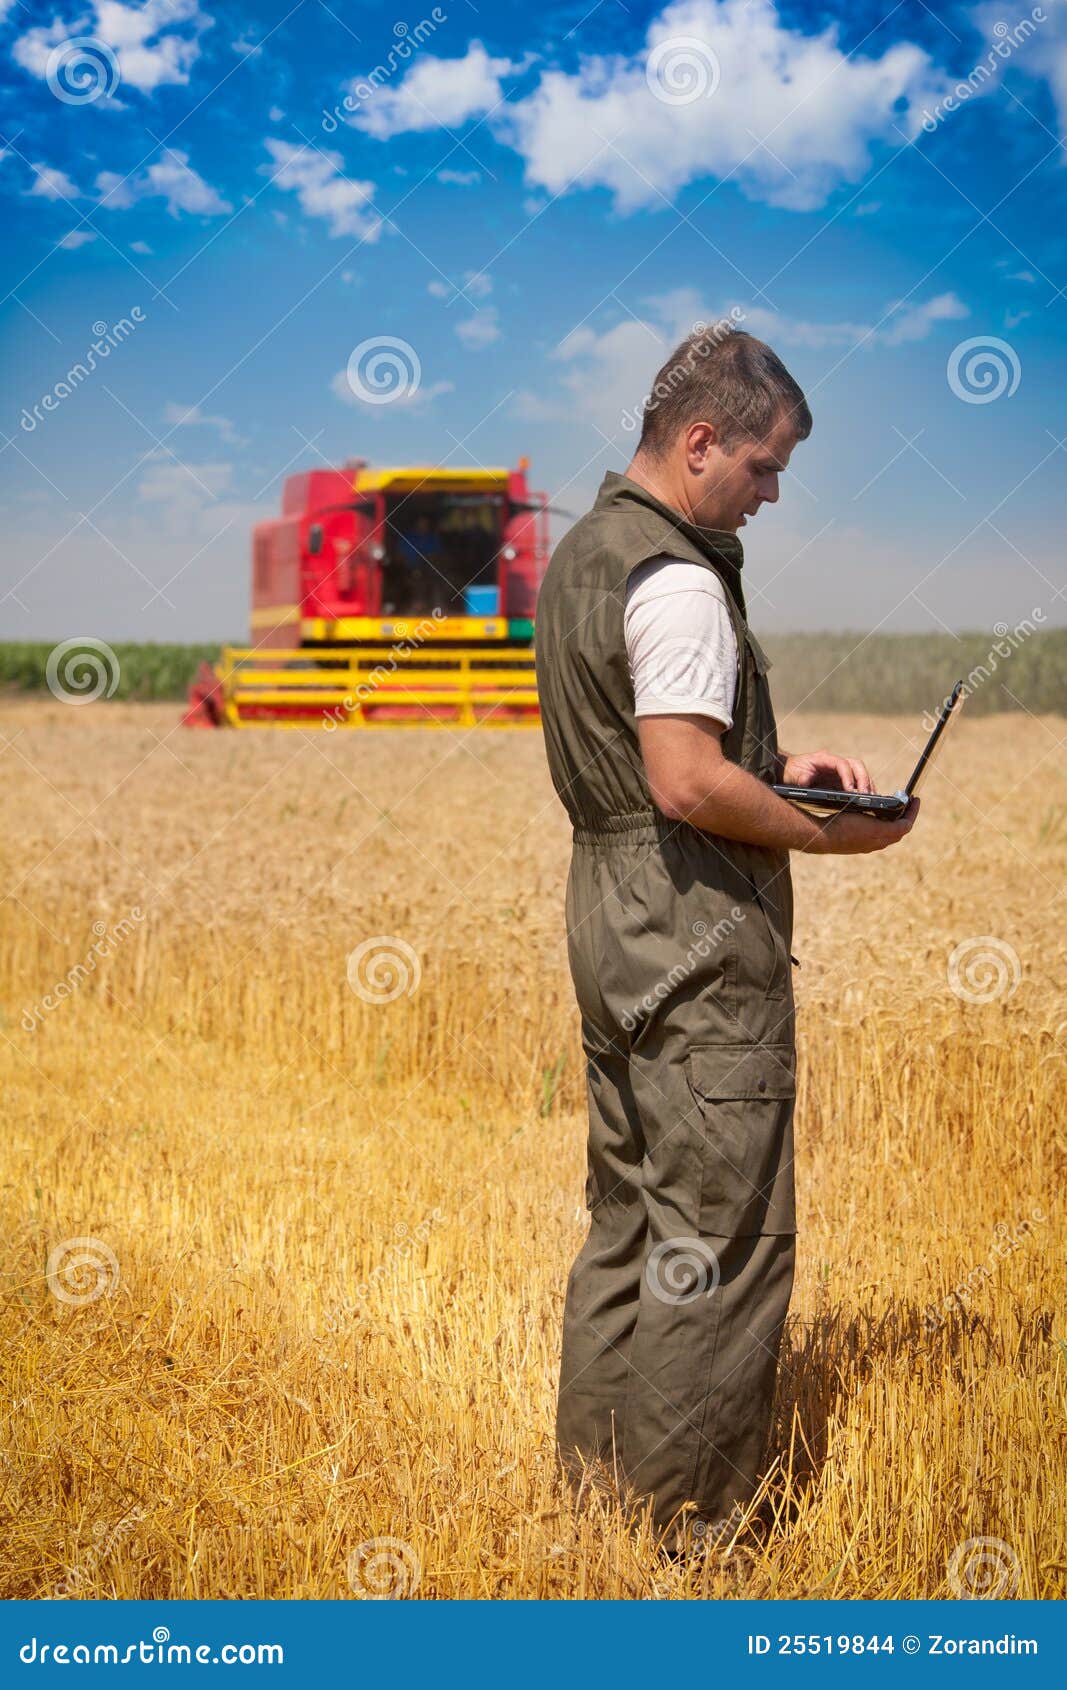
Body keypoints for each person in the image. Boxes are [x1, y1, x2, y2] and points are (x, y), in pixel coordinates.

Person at [534, 326, 919, 1551]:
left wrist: (776, 764)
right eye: (761, 469)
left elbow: (659, 756)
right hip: (694, 930)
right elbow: (689, 784)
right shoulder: (683, 575)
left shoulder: (585, 553)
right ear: (698, 443)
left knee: (633, 1217)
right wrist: (825, 832)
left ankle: (595, 1501)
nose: (765, 498)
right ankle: (686, 1532)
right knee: (725, 1235)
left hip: (607, 915)